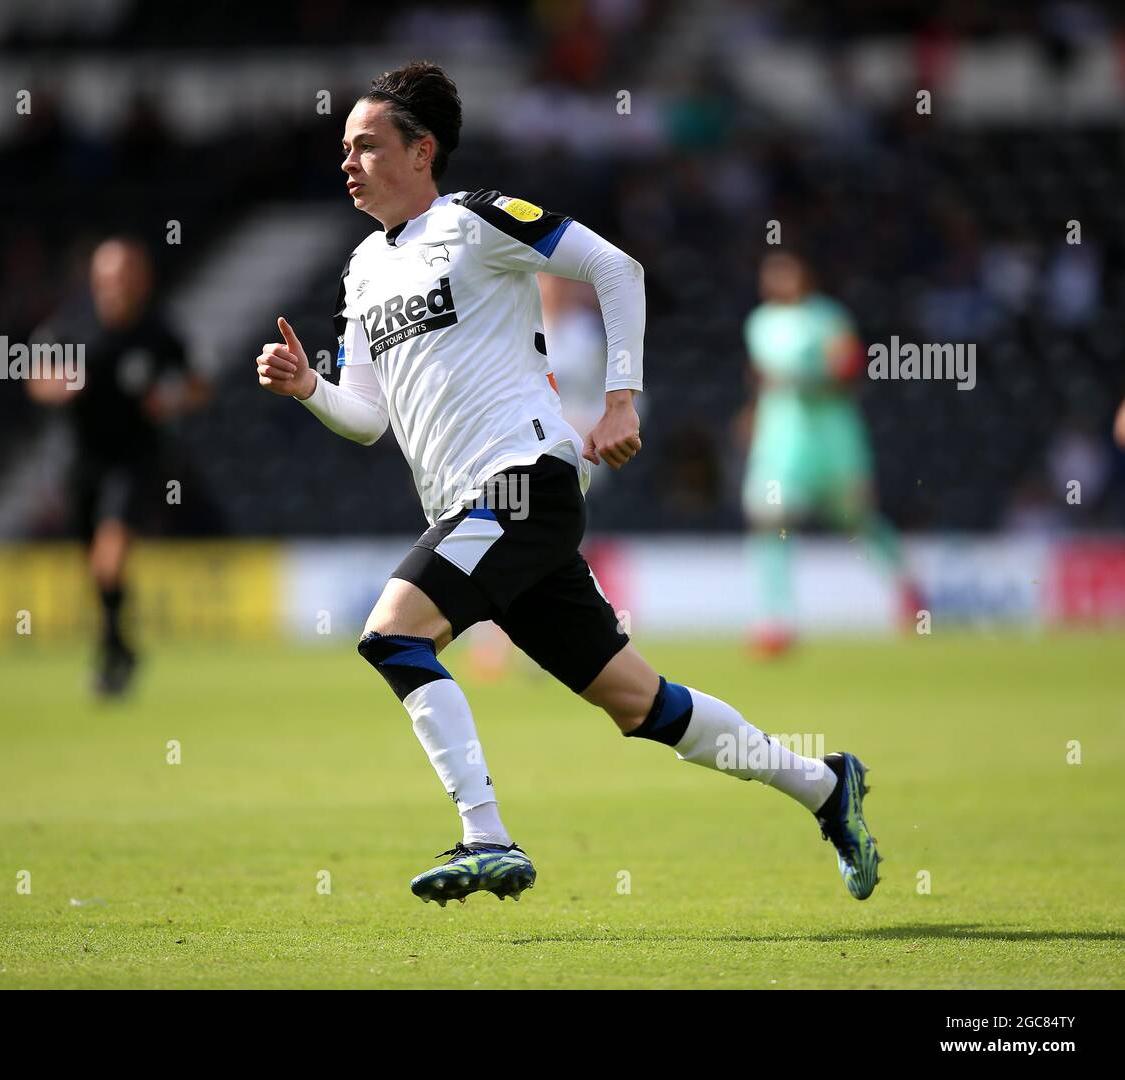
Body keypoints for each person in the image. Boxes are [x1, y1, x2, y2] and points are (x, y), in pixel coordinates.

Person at [257, 62, 880, 904]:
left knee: (391, 635)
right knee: (641, 704)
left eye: (367, 145)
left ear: (421, 150)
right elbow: (367, 417)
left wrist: (621, 399)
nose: (349, 161)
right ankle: (825, 785)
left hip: (522, 483)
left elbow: (617, 269)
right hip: (478, 507)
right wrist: (310, 392)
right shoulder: (362, 271)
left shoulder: (475, 221)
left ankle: (485, 836)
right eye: (344, 148)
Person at [29, 237, 208, 696]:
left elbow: (197, 385)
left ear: (142, 280)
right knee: (97, 568)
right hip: (84, 463)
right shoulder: (73, 326)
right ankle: (119, 647)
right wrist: (57, 387)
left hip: (137, 461)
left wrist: (169, 399)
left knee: (110, 559)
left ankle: (112, 658)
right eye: (110, 277)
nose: (119, 285)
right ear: (95, 281)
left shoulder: (158, 331)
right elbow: (35, 374)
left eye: (127, 275)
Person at [740, 252, 921, 655]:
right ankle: (776, 620)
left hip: (834, 442)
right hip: (782, 442)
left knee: (859, 520)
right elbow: (762, 377)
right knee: (770, 518)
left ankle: (907, 588)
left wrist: (819, 374)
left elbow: (847, 367)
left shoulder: (827, 316)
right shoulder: (761, 323)